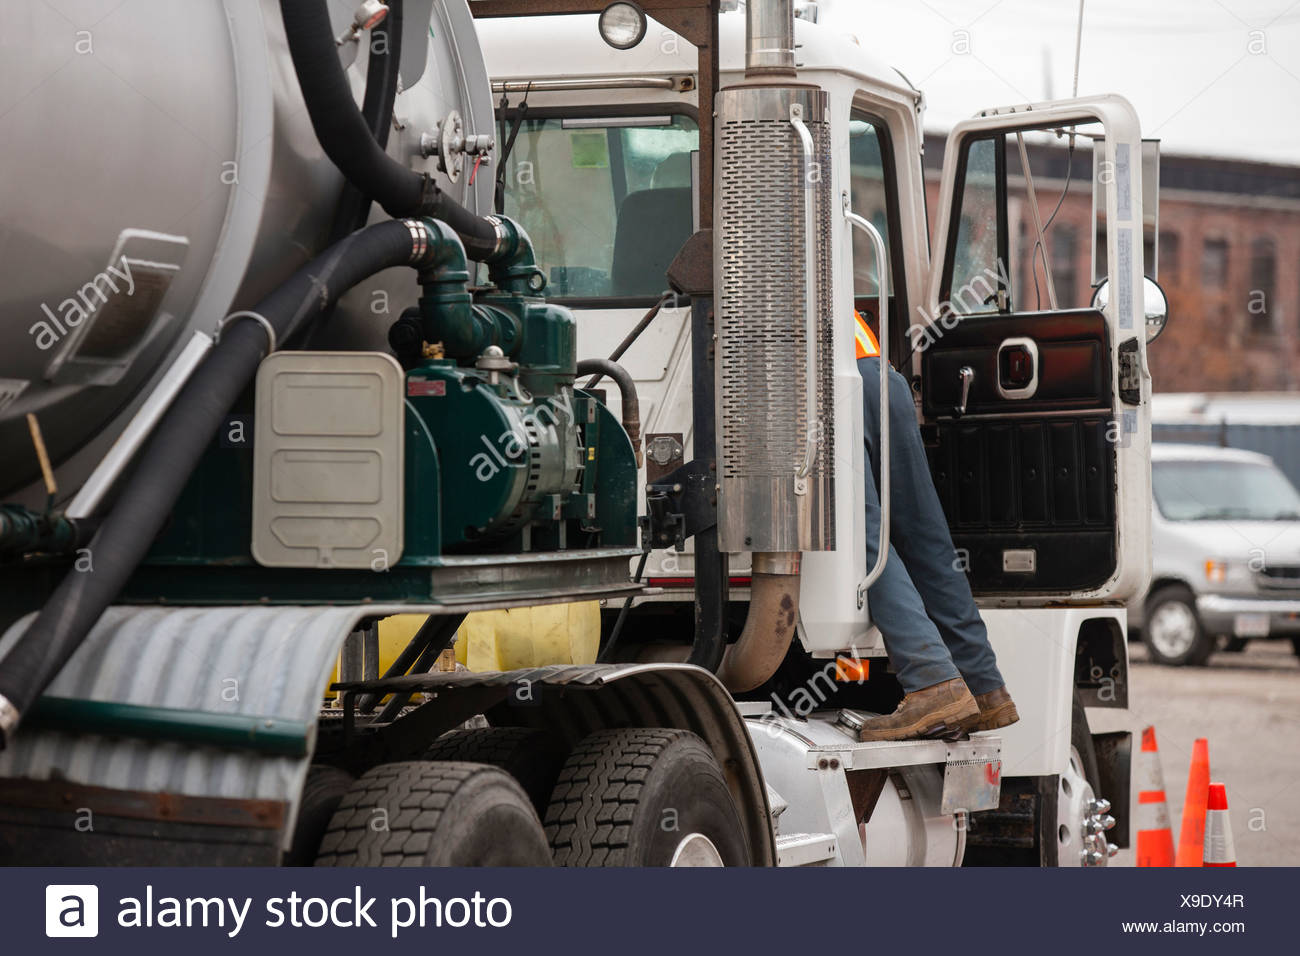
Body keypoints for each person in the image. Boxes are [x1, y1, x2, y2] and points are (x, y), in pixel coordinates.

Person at [851, 311, 1019, 741]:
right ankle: (983, 686)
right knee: (924, 537)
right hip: (880, 374)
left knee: (857, 532)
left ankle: (931, 682)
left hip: (829, 382)